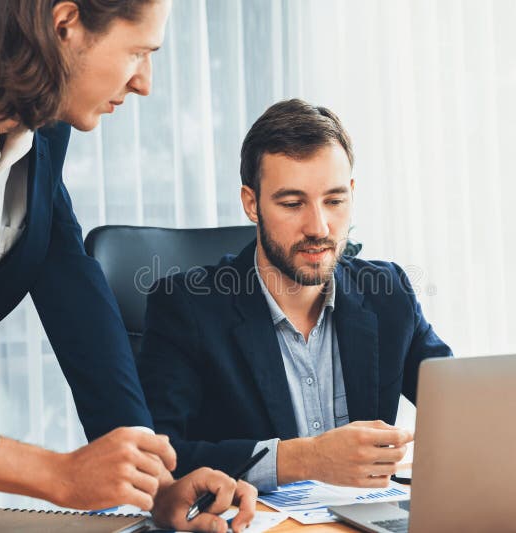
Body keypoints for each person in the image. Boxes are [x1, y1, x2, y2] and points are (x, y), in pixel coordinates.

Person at [0, 1, 254, 531]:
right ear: (65, 26)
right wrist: (55, 474)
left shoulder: (42, 118)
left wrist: (155, 483)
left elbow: (72, 286)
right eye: (138, 53)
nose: (145, 83)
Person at [137, 99, 454, 492]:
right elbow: (157, 458)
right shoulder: (186, 306)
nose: (318, 226)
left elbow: (461, 407)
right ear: (251, 203)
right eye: (292, 203)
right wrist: (308, 458)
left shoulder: (389, 293)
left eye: (334, 201)